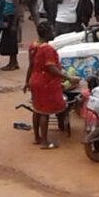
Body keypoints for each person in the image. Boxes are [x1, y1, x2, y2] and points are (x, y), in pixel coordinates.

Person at [24, 22, 69, 150]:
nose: (54, 33)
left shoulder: (33, 45)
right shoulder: (48, 49)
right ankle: (45, 141)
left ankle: (37, 137)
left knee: (36, 109)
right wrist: (68, 77)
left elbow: (31, 65)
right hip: (45, 82)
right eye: (52, 30)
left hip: (34, 79)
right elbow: (51, 67)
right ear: (47, 33)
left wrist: (27, 81)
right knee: (45, 112)